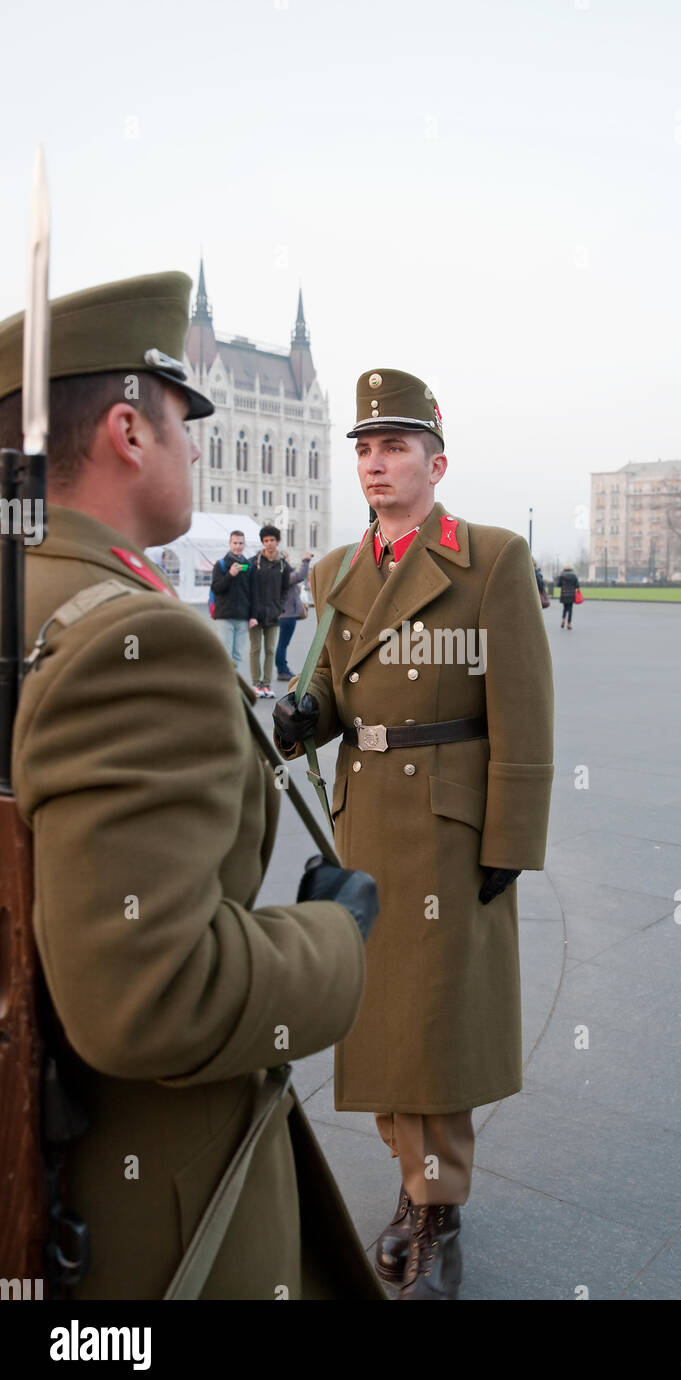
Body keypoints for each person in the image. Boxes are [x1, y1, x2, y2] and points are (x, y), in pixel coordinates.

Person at [0, 272, 384, 1300]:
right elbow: (152, 995)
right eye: (185, 418)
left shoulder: (24, 590)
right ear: (128, 430)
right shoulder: (134, 638)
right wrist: (330, 942)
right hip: (129, 1206)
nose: (199, 445)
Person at [273, 368, 554, 1300]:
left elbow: (523, 709)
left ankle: (434, 1212)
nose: (375, 463)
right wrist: (299, 717)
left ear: (436, 461)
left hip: (448, 824)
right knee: (386, 1018)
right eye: (362, 447)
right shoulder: (335, 572)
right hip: (369, 825)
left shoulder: (491, 558)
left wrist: (510, 838)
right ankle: (414, 1186)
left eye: (393, 446)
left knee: (438, 1024)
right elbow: (342, 701)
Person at [249, 524, 290, 697]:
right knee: (255, 649)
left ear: (277, 541)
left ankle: (266, 684)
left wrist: (280, 607)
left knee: (270, 650)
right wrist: (250, 613)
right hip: (255, 614)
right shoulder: (253, 563)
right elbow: (247, 589)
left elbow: (285, 589)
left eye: (272, 540)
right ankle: (256, 684)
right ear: (262, 542)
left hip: (273, 614)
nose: (269, 543)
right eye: (266, 540)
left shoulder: (283, 566)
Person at [211, 528, 256, 670]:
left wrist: (253, 616)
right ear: (230, 544)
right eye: (235, 543)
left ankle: (234, 686)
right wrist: (230, 574)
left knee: (237, 655)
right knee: (225, 654)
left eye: (241, 543)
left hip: (243, 617)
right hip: (224, 616)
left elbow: (253, 593)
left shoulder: (249, 567)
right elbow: (216, 588)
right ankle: (222, 686)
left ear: (244, 545)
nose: (238, 546)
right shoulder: (221, 564)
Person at [276, 549, 312, 680]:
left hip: (287, 613)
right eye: (285, 558)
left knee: (283, 643)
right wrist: (306, 560)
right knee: (283, 643)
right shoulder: (282, 574)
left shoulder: (282, 573)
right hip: (287, 614)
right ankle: (282, 669)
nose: (287, 560)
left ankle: (283, 668)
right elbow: (300, 576)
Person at [556, 564, 580, 629]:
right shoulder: (574, 576)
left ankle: (563, 620)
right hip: (571, 594)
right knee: (570, 609)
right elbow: (577, 585)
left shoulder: (562, 575)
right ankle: (569, 624)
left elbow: (558, 584)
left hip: (564, 594)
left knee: (565, 608)